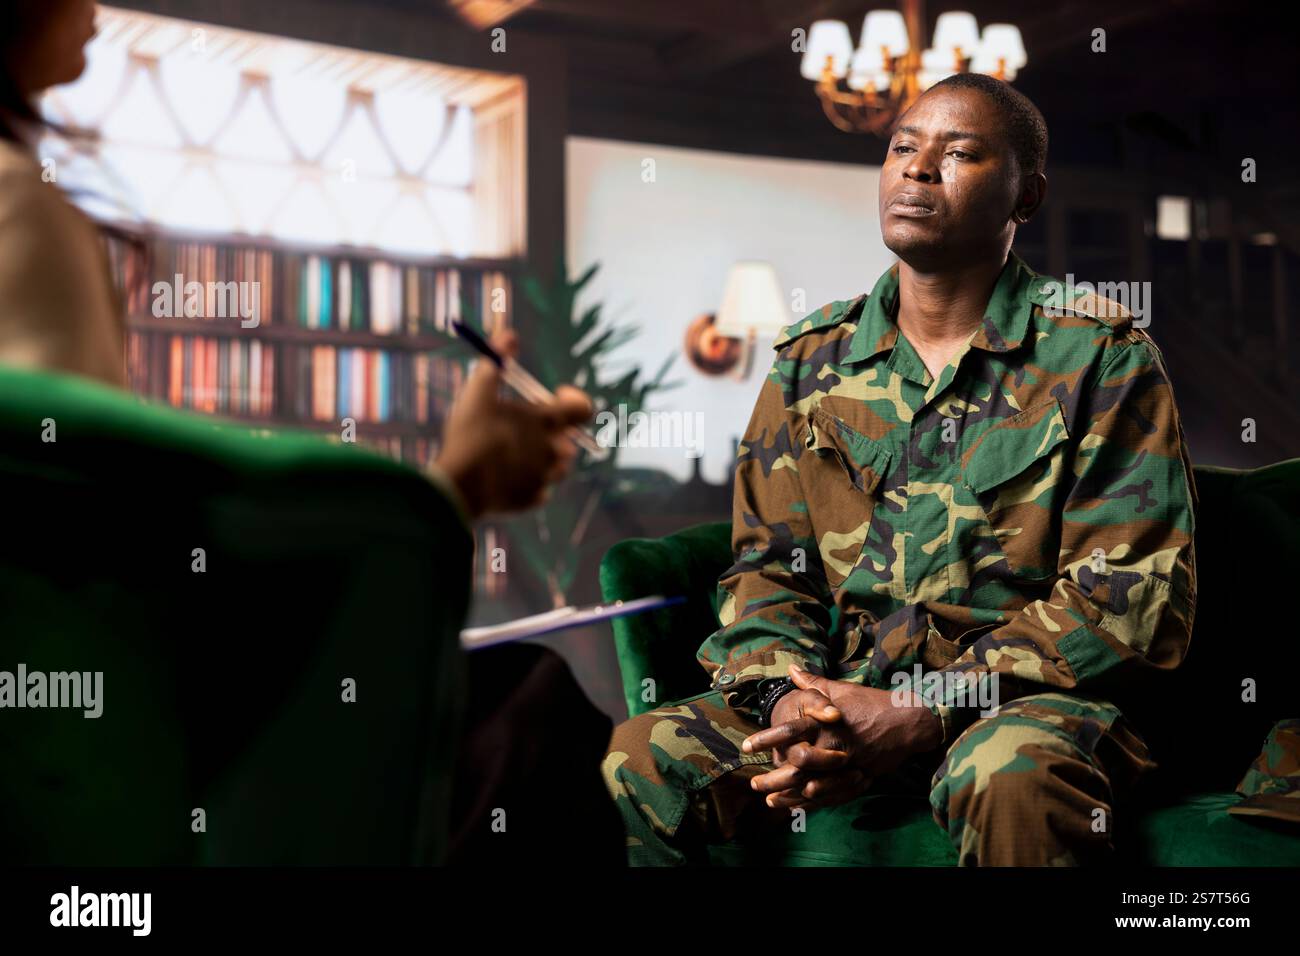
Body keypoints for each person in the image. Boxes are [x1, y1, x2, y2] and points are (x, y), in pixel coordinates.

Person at [1, 0, 622, 865]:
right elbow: (92, 594)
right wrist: (457, 491)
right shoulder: (18, 212)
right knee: (530, 711)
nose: (95, 7)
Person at [605, 73, 1198, 865]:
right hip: (834, 691)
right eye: (903, 148)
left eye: (959, 154)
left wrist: (923, 710)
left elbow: (1129, 599)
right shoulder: (809, 362)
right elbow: (767, 569)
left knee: (1008, 772)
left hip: (1024, 707)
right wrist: (794, 701)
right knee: (640, 753)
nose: (918, 170)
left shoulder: (1101, 358)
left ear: (1028, 195)